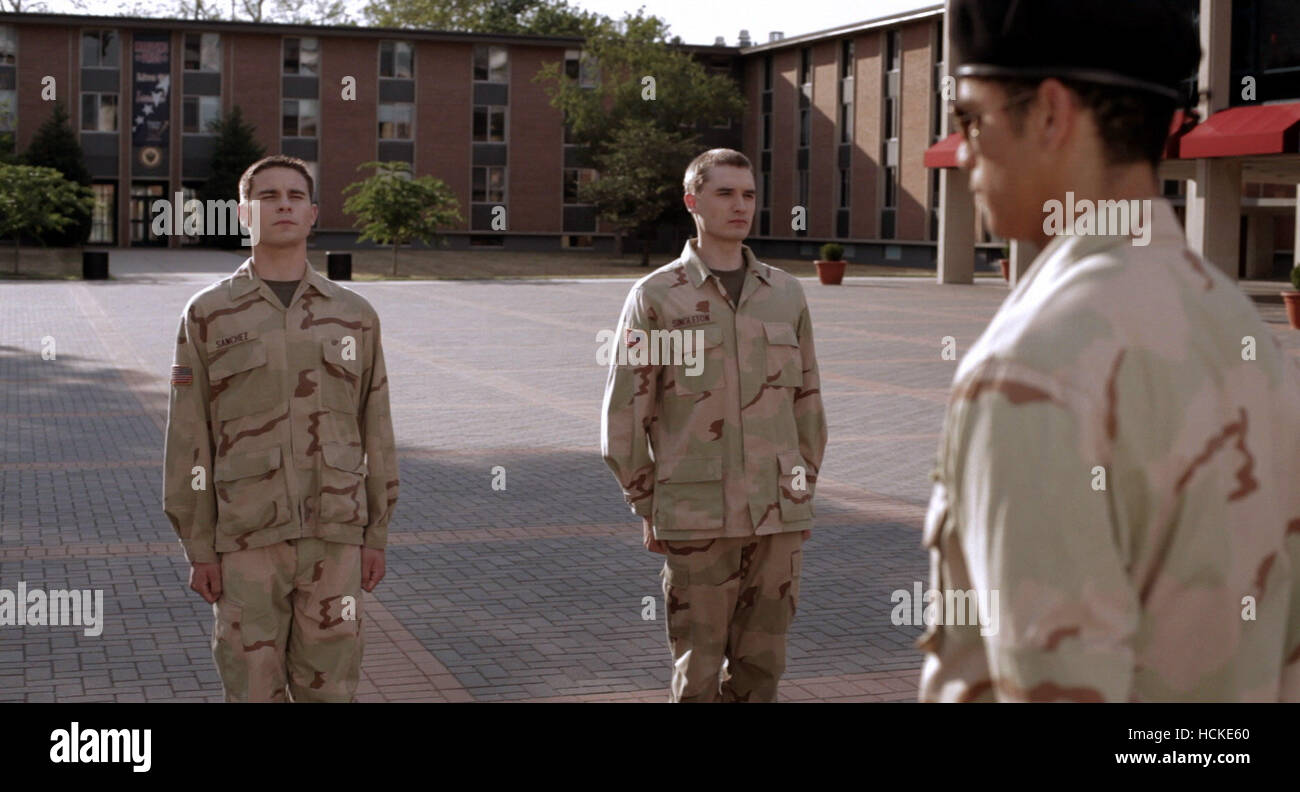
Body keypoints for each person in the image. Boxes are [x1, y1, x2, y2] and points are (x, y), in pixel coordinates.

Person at [920, 0, 1300, 701]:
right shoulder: (1239, 326)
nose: (964, 151)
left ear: (1052, 115)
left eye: (972, 118)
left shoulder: (1032, 365)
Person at [163, 155, 399, 702]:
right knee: (250, 692)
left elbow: (377, 425)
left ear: (313, 213)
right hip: (245, 541)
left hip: (336, 538)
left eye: (295, 195)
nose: (284, 204)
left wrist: (377, 533)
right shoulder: (209, 314)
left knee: (331, 691)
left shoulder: (354, 314)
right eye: (267, 196)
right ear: (244, 213)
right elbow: (187, 435)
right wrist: (198, 544)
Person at [602, 148, 828, 702]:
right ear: (692, 201)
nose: (740, 205)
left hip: (776, 516)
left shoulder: (784, 294)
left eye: (748, 194)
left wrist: (799, 497)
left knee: (763, 669)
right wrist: (648, 503)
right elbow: (626, 413)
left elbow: (808, 405)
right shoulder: (656, 297)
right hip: (695, 517)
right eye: (725, 193)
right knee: (698, 673)